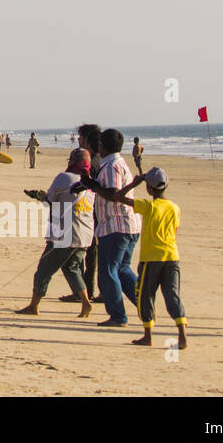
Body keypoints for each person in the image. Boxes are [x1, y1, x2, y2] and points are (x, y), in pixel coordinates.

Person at [84, 167, 187, 348]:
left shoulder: (148, 206)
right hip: (172, 256)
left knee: (146, 296)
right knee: (172, 296)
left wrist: (133, 183)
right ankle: (182, 333)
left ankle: (147, 335)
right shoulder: (175, 207)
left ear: (148, 188)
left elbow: (119, 197)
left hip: (152, 258)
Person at [17, 148, 94, 318]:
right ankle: (86, 304)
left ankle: (33, 306)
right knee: (71, 268)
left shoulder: (64, 177)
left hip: (64, 235)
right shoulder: (90, 183)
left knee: (43, 271)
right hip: (85, 235)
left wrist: (39, 196)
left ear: (73, 162)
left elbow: (50, 201)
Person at [92, 128, 140, 326]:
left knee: (108, 271)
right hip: (126, 225)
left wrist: (93, 186)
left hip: (116, 225)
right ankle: (145, 305)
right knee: (122, 269)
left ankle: (118, 315)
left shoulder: (112, 165)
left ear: (103, 146)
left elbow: (113, 193)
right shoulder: (117, 163)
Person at [60, 124, 103, 304]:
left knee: (85, 251)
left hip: (90, 211)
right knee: (89, 251)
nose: (78, 139)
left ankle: (84, 290)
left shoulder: (92, 160)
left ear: (86, 138)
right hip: (93, 211)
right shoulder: (98, 158)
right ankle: (87, 289)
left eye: (80, 137)